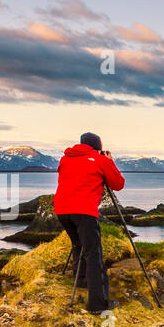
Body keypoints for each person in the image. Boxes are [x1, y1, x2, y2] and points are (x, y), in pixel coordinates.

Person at [54, 132, 125, 313]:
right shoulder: (100, 160)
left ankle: (82, 281)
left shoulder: (65, 159)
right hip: (84, 211)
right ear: (98, 147)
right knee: (94, 254)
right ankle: (98, 305)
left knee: (78, 245)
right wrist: (109, 161)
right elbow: (118, 183)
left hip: (62, 210)